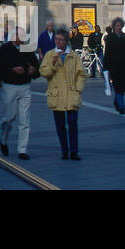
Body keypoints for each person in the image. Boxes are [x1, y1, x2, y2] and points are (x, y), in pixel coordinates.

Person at [40, 29, 87, 160]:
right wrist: (53, 64)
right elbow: (44, 73)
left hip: (71, 94)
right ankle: (64, 150)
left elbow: (81, 74)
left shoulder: (73, 55)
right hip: (57, 94)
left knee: (72, 124)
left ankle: (74, 151)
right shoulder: (50, 55)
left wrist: (78, 89)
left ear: (66, 41)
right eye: (56, 39)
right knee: (60, 125)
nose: (58, 42)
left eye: (61, 40)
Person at [0, 29, 38, 160]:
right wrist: (12, 70)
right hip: (10, 85)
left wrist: (33, 70)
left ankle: (22, 149)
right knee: (9, 117)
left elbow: (36, 65)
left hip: (25, 85)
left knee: (25, 119)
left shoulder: (27, 48)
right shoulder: (4, 49)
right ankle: (3, 137)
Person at [102, 17, 125, 114]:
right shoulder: (110, 38)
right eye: (117, 26)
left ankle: (117, 101)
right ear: (114, 26)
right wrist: (105, 67)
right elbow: (107, 53)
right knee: (117, 86)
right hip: (114, 66)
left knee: (123, 86)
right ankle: (122, 107)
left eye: (120, 26)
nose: (119, 27)